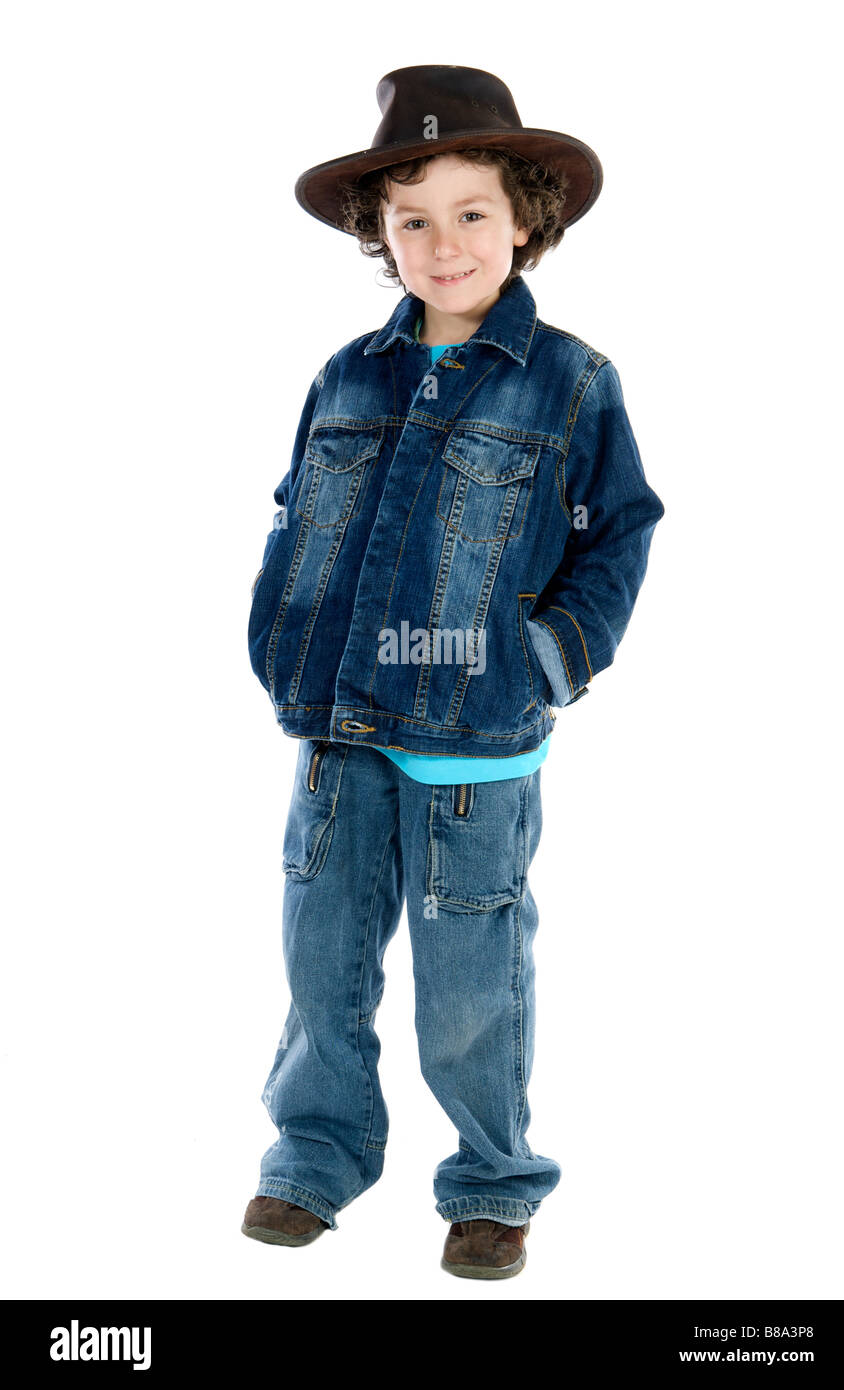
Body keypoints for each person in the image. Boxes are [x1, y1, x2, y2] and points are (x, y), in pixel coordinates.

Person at [241, 66, 664, 1280]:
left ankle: (492, 1180)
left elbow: (621, 530)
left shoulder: (571, 381)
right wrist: (278, 638)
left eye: (471, 211)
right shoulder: (346, 375)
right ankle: (313, 1158)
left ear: (523, 216)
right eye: (411, 216)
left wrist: (546, 657)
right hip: (336, 725)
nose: (443, 243)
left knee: (471, 978)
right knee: (322, 954)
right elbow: (296, 512)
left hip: (477, 740)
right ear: (380, 233)